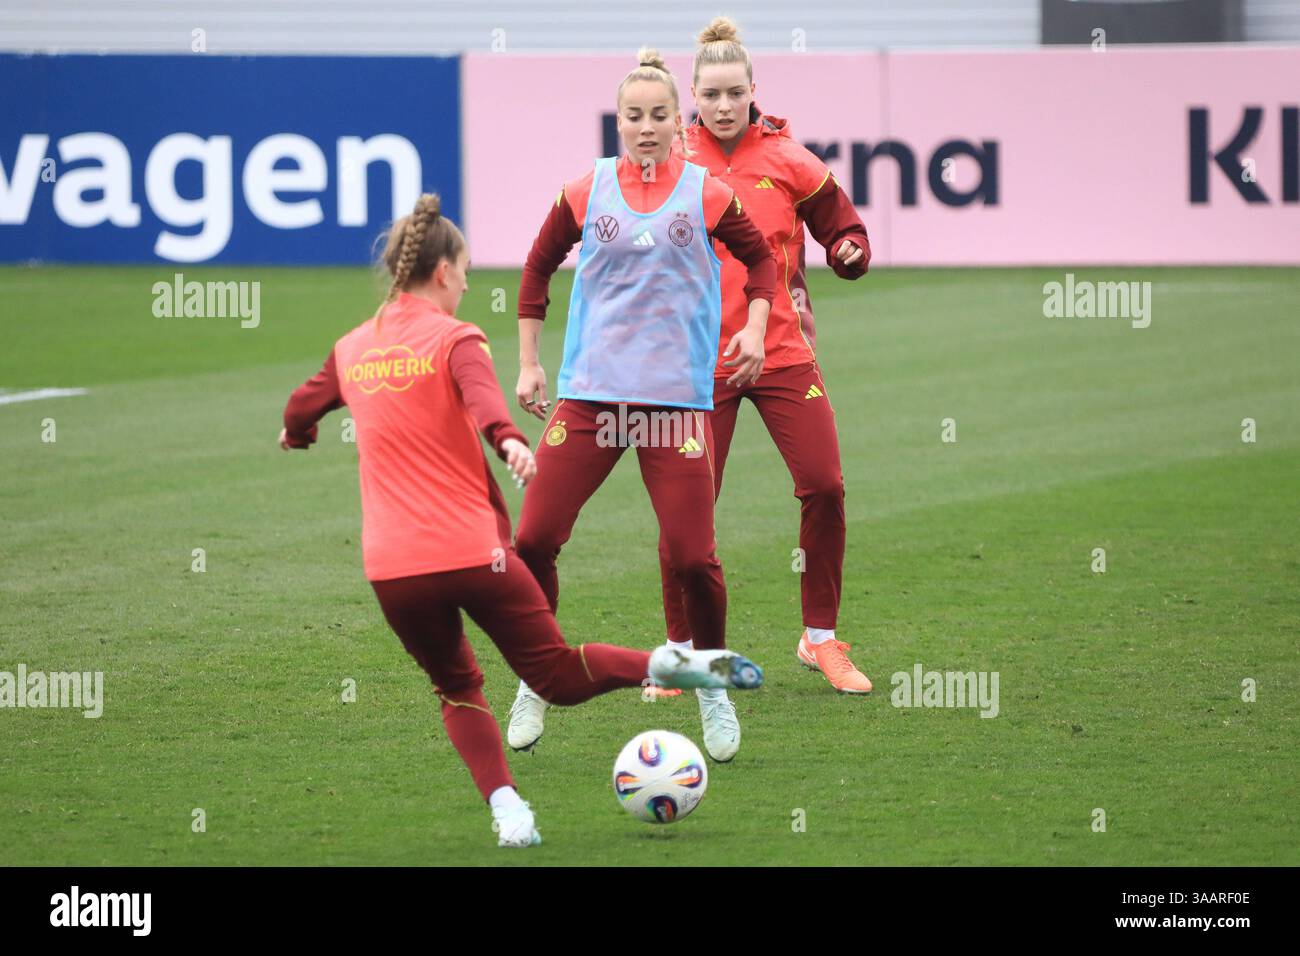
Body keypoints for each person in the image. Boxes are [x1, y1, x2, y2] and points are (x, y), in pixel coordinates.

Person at [278, 192, 764, 849]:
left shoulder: (350, 349)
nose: (471, 283)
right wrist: (508, 440)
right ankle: (671, 661)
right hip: (474, 553)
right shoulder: (456, 337)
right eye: (469, 271)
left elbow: (301, 406)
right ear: (445, 272)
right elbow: (483, 404)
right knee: (556, 673)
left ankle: (511, 813)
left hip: (392, 570)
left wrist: (297, 434)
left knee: (456, 689)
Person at [506, 49, 777, 762]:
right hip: (591, 402)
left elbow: (765, 261)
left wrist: (754, 325)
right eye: (635, 116)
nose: (648, 127)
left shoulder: (707, 193)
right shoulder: (585, 190)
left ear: (674, 119)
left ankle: (710, 682)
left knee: (694, 558)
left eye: (660, 115)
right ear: (618, 121)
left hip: (674, 409)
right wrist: (530, 361)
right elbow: (536, 269)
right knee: (532, 540)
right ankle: (537, 674)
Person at [658, 16, 874, 694]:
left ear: (755, 91)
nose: (723, 107)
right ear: (691, 94)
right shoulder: (667, 158)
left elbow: (847, 231)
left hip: (781, 352)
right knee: (687, 511)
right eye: (711, 95)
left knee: (826, 486)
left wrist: (848, 254)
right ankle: (678, 652)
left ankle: (820, 641)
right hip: (698, 363)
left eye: (735, 94)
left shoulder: (789, 158)